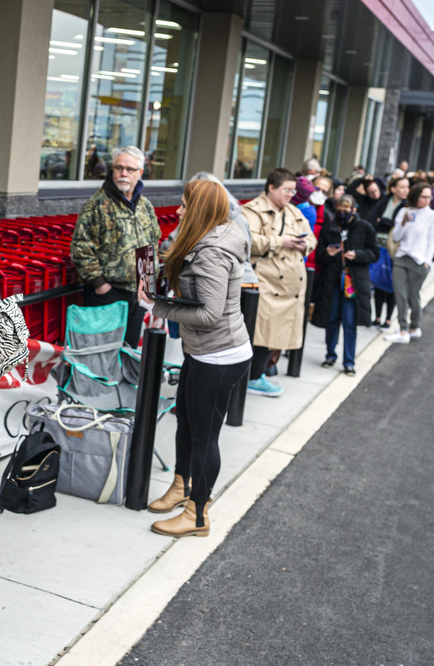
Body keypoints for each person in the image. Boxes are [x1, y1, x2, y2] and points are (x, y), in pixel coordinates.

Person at [140, 180, 251, 538]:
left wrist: (156, 306)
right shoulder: (206, 239)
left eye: (186, 205)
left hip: (219, 356)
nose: (179, 211)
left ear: (200, 209)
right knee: (185, 421)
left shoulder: (213, 251)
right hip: (203, 351)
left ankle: (197, 514)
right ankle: (180, 486)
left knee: (205, 436)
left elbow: (209, 314)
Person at [70, 145, 161, 348]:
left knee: (128, 351)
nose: (123, 173)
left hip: (137, 295)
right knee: (102, 353)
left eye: (129, 169)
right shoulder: (96, 205)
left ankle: (125, 381)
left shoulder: (145, 206)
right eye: (118, 167)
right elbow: (81, 248)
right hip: (107, 295)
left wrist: (147, 283)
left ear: (140, 173)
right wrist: (100, 285)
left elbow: (152, 243)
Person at [242, 168, 317, 397]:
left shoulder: (294, 211)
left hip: (290, 288)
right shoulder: (252, 210)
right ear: (271, 188)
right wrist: (280, 242)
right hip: (266, 284)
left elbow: (312, 237)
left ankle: (258, 374)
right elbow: (248, 240)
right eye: (286, 190)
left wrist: (305, 245)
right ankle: (252, 377)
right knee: (260, 334)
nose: (290, 195)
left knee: (274, 336)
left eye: (293, 191)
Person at [310, 195, 379, 375]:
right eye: (339, 211)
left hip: (353, 283)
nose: (342, 214)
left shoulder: (365, 228)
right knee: (331, 320)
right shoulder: (329, 228)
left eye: (346, 211)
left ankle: (349, 361)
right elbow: (318, 256)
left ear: (354, 211)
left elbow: (374, 253)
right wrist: (328, 253)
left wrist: (358, 255)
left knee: (350, 322)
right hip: (331, 281)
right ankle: (330, 355)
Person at [384, 184, 434, 344]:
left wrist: (426, 261)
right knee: (400, 294)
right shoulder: (404, 212)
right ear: (416, 196)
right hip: (402, 257)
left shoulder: (432, 216)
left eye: (430, 197)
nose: (427, 200)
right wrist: (403, 223)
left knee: (412, 295)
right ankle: (403, 329)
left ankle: (414, 326)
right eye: (424, 197)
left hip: (419, 261)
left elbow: (433, 241)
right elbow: (396, 236)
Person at [369, 176, 409, 329]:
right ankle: (377, 317)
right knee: (379, 280)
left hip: (395, 248)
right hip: (379, 246)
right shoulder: (383, 202)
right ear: (393, 189)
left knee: (392, 283)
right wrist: (386, 224)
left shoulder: (407, 207)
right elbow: (372, 221)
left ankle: (388, 319)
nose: (406, 190)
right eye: (402, 187)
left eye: (407, 187)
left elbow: (401, 227)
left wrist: (385, 223)